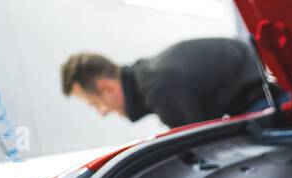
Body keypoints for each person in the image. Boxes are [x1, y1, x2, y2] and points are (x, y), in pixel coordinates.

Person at [60, 38, 268, 129]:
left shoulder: (159, 88)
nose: (102, 113)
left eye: (96, 104)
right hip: (252, 95)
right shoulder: (150, 77)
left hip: (262, 101)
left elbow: (199, 149)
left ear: (108, 88)